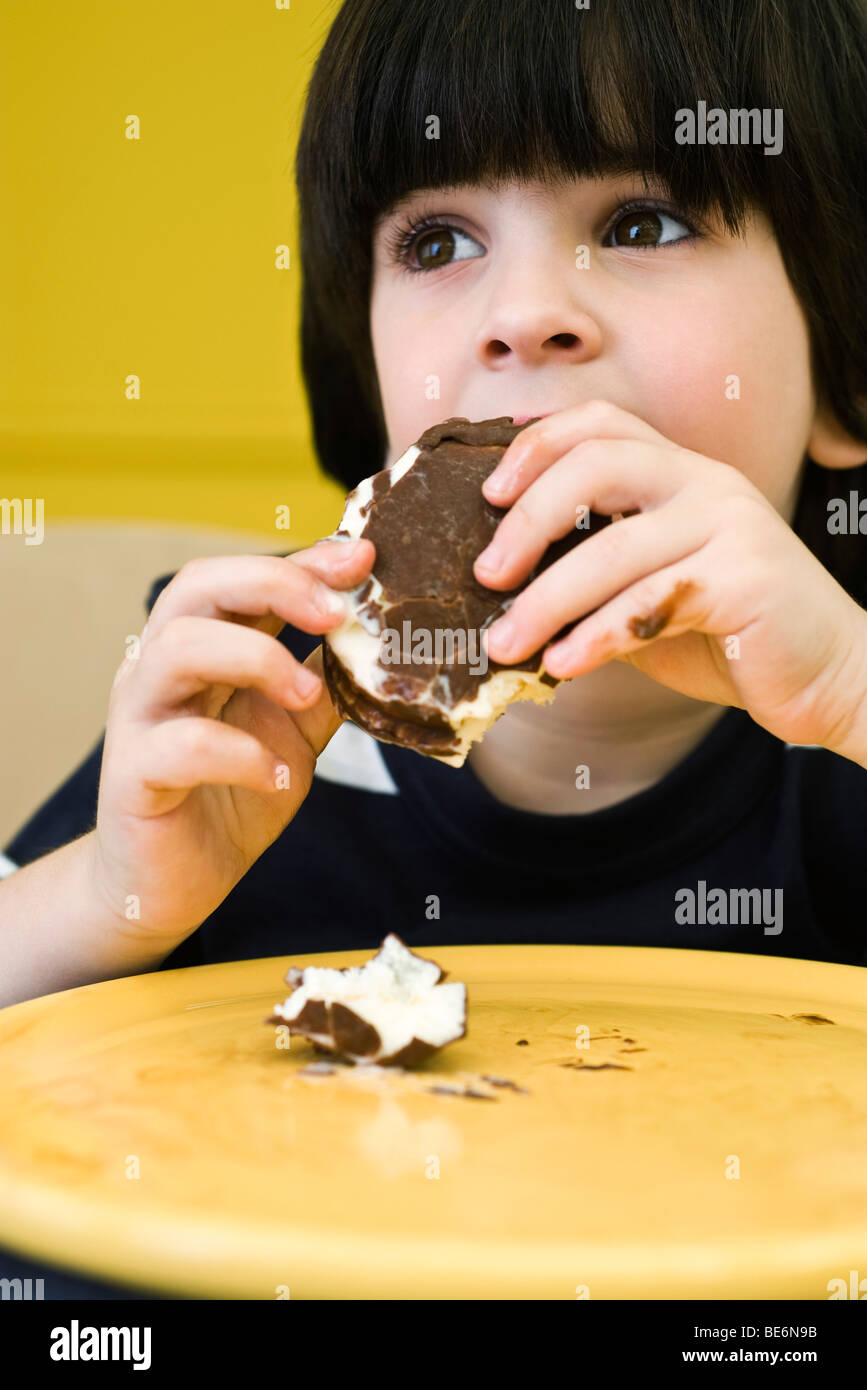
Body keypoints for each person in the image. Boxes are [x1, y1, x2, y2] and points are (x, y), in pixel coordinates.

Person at [2, 0, 866, 1010]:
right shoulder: (253, 700)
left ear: (846, 363)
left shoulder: (846, 699)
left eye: (644, 223)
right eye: (438, 243)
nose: (524, 314)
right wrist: (114, 897)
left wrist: (852, 688)